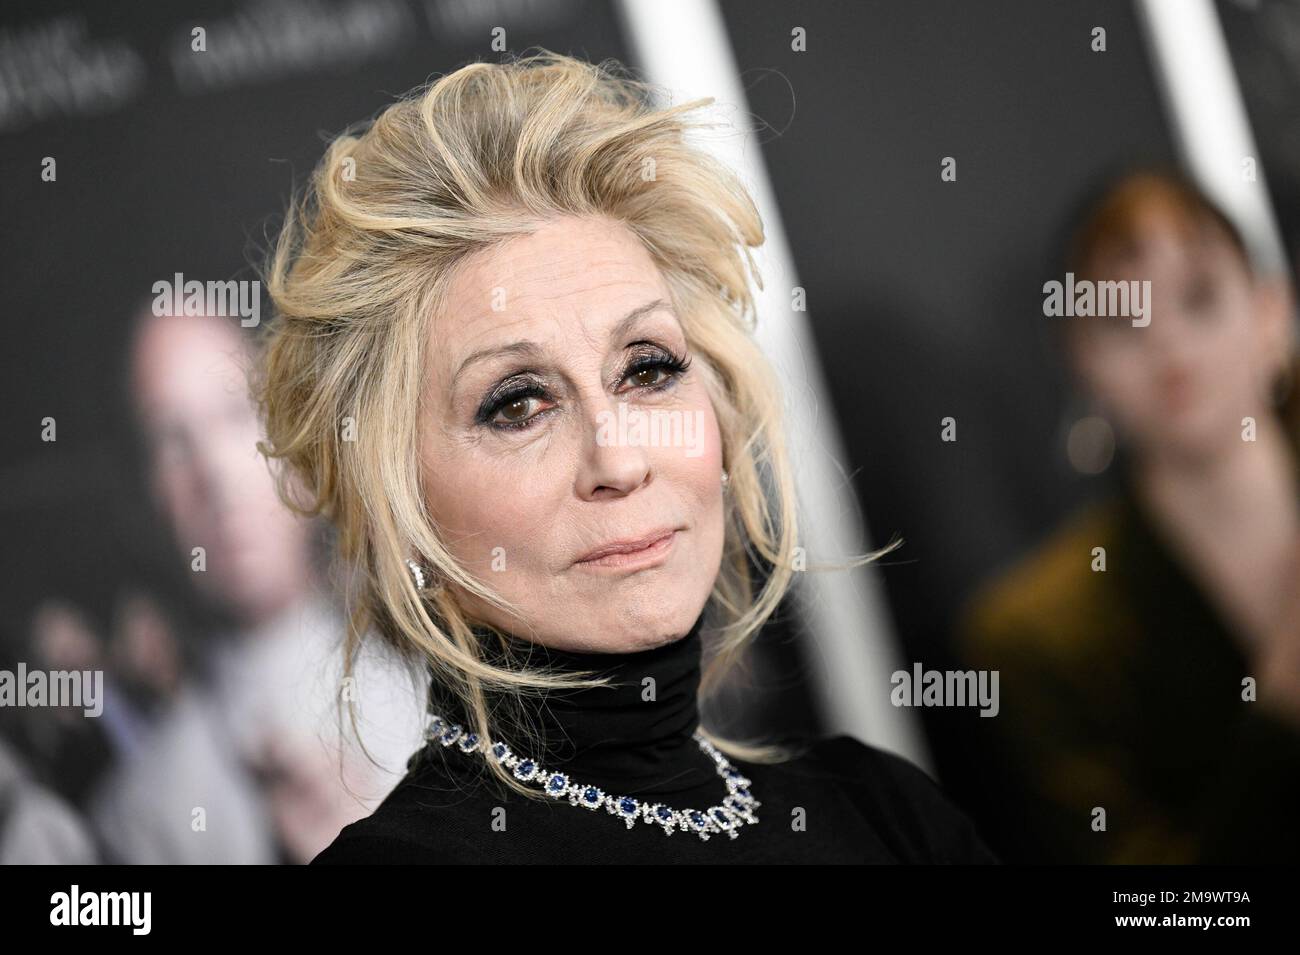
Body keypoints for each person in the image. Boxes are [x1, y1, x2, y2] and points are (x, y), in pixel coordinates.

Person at [253, 50, 997, 863]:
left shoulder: (884, 812)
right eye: (518, 404)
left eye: (648, 369)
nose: (621, 458)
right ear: (396, 499)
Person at [958, 168, 1300, 864]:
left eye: (1199, 296)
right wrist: (1280, 712)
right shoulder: (1036, 638)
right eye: (1122, 317)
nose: (1168, 342)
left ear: (1271, 314)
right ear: (1081, 363)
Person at [87, 307, 427, 863]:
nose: (216, 472)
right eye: (171, 441)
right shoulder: (142, 822)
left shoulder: (455, 671)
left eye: (236, 412)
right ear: (142, 501)